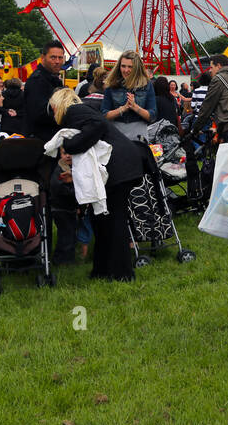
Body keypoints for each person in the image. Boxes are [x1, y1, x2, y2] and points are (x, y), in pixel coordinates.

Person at [49, 87, 145, 281]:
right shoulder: (81, 111)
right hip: (122, 164)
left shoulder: (74, 112)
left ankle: (122, 273)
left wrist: (70, 145)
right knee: (102, 220)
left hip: (120, 167)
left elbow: (96, 127)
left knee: (114, 221)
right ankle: (103, 270)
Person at [24, 41, 78, 265]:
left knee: (63, 201)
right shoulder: (36, 82)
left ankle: (61, 253)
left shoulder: (54, 79)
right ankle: (43, 251)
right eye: (53, 57)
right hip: (44, 148)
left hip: (57, 146)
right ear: (43, 57)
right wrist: (63, 110)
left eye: (60, 57)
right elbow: (37, 114)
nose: (57, 61)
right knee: (52, 201)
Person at [100, 49, 157, 141]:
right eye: (123, 66)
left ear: (137, 68)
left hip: (138, 134)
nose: (126, 70)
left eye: (130, 67)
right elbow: (104, 114)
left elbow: (152, 116)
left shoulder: (146, 85)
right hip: (117, 134)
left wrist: (135, 107)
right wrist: (123, 109)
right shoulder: (112, 85)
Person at [193, 53, 228, 143]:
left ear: (219, 66)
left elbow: (207, 106)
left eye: (211, 67)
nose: (209, 71)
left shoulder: (218, 79)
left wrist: (196, 129)